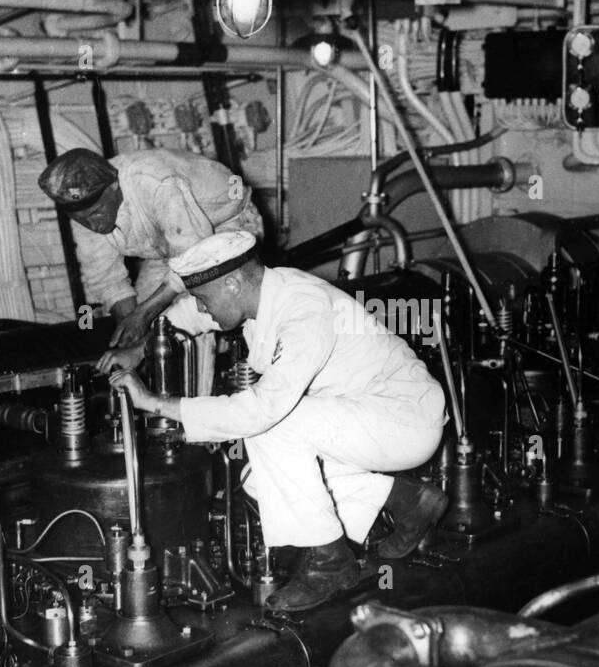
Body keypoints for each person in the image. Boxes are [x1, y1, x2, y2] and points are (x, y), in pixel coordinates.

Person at [107, 231, 450, 612]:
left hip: (405, 421)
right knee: (260, 481)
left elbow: (261, 411)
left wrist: (154, 403)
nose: (202, 309)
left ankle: (330, 563)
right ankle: (408, 501)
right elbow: (189, 314)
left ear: (232, 284)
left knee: (272, 427)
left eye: (204, 299)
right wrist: (140, 349)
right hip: (366, 415)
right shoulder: (263, 293)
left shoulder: (304, 310)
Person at [38, 147, 264, 347]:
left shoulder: (155, 181)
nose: (94, 225)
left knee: (198, 309)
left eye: (97, 213)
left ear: (114, 186)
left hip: (230, 226)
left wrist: (143, 315)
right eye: (83, 220)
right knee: (153, 325)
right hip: (170, 247)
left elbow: (193, 260)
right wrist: (132, 329)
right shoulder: (83, 210)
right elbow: (107, 279)